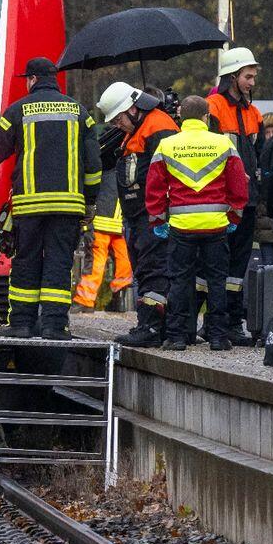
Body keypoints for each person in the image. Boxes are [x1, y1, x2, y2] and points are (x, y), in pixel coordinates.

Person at [0, 56, 103, 339]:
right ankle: (54, 326)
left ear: (32, 80)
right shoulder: (80, 112)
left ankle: (22, 323)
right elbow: (94, 164)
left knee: (26, 261)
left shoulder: (17, 111)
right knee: (59, 263)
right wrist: (90, 201)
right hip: (68, 206)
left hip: (30, 206)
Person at [147, 95, 249, 351]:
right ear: (206, 117)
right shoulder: (223, 143)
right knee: (217, 281)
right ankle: (217, 337)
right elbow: (238, 186)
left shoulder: (167, 146)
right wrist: (234, 217)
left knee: (180, 281)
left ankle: (177, 337)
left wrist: (159, 221)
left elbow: (154, 188)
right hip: (216, 225)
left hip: (181, 226)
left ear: (181, 116)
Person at [97, 81, 180, 347]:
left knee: (154, 269)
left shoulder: (158, 126)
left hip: (153, 215)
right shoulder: (134, 131)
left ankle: (152, 328)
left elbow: (166, 174)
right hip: (139, 214)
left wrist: (159, 215)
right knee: (145, 270)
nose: (117, 124)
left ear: (133, 108)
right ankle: (154, 325)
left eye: (119, 119)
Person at [207, 47, 264, 341]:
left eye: (253, 77)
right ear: (232, 76)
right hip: (222, 199)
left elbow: (258, 155)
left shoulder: (253, 113)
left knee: (237, 265)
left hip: (248, 199)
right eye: (247, 77)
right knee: (217, 262)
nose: (252, 83)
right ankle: (213, 321)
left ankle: (230, 322)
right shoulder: (213, 106)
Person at [73, 166, 133, 310]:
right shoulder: (127, 171)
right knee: (124, 261)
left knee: (96, 263)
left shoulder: (103, 172)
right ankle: (120, 298)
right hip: (120, 225)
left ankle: (85, 301)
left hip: (103, 223)